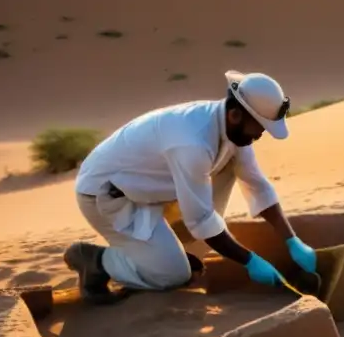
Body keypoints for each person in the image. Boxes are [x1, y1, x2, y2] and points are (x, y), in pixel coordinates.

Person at [64, 70, 316, 302]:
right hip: (108, 196)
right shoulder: (192, 143)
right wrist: (250, 261)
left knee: (231, 168)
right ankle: (96, 261)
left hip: (151, 189)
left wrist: (292, 240)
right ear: (236, 114)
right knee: (172, 275)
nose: (260, 135)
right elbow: (202, 218)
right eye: (260, 127)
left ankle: (172, 249)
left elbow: (257, 185)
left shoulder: (231, 130)